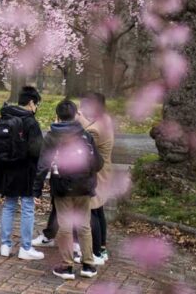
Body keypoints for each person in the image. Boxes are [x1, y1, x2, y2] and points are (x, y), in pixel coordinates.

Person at [33, 99, 103, 281]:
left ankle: (67, 266)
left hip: (62, 186)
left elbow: (43, 165)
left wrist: (36, 189)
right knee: (84, 225)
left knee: (64, 226)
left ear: (57, 116)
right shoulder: (86, 135)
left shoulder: (52, 136)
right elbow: (98, 163)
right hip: (84, 187)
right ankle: (88, 264)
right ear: (75, 115)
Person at [0, 86, 45, 260]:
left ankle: (5, 245)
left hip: (6, 169)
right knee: (27, 207)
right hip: (25, 171)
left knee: (9, 205)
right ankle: (26, 247)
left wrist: (4, 152)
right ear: (32, 102)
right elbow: (37, 150)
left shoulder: (5, 115)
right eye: (37, 104)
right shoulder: (31, 122)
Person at [80, 91, 114, 266]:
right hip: (104, 171)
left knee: (92, 211)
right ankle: (101, 248)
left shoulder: (94, 129)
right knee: (99, 211)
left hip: (97, 174)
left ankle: (95, 253)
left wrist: (79, 121)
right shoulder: (105, 120)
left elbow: (85, 137)